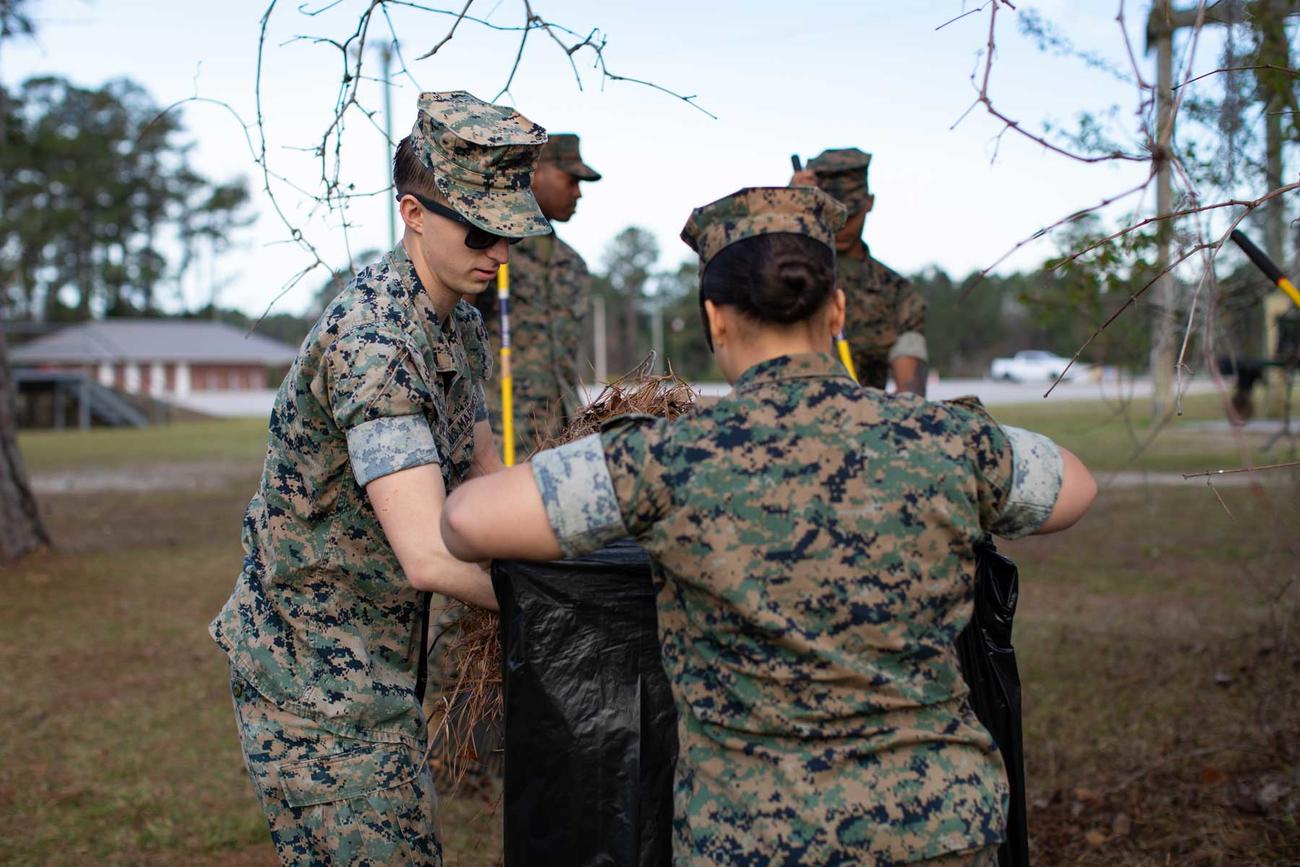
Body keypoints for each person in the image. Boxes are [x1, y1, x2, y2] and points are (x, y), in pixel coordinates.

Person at [439, 186, 1097, 865]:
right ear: (837, 311)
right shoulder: (948, 440)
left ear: (715, 320)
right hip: (939, 831)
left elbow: (465, 521)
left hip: (755, 836)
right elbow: (1075, 486)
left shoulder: (668, 459)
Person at [208, 90, 551, 866]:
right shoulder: (374, 341)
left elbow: (486, 478)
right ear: (414, 212)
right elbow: (429, 554)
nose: (499, 253)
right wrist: (569, 602)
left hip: (378, 661)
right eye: (482, 230)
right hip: (312, 677)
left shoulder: (458, 320)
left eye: (512, 234)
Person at [474, 132, 601, 452]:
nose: (578, 194)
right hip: (499, 435)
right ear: (535, 174)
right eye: (570, 180)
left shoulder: (572, 264)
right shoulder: (490, 252)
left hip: (560, 436)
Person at [793, 147, 929, 395]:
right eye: (831, 213)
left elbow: (911, 396)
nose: (842, 224)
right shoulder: (786, 278)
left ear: (869, 203)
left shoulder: (896, 292)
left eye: (851, 213)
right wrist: (788, 216)